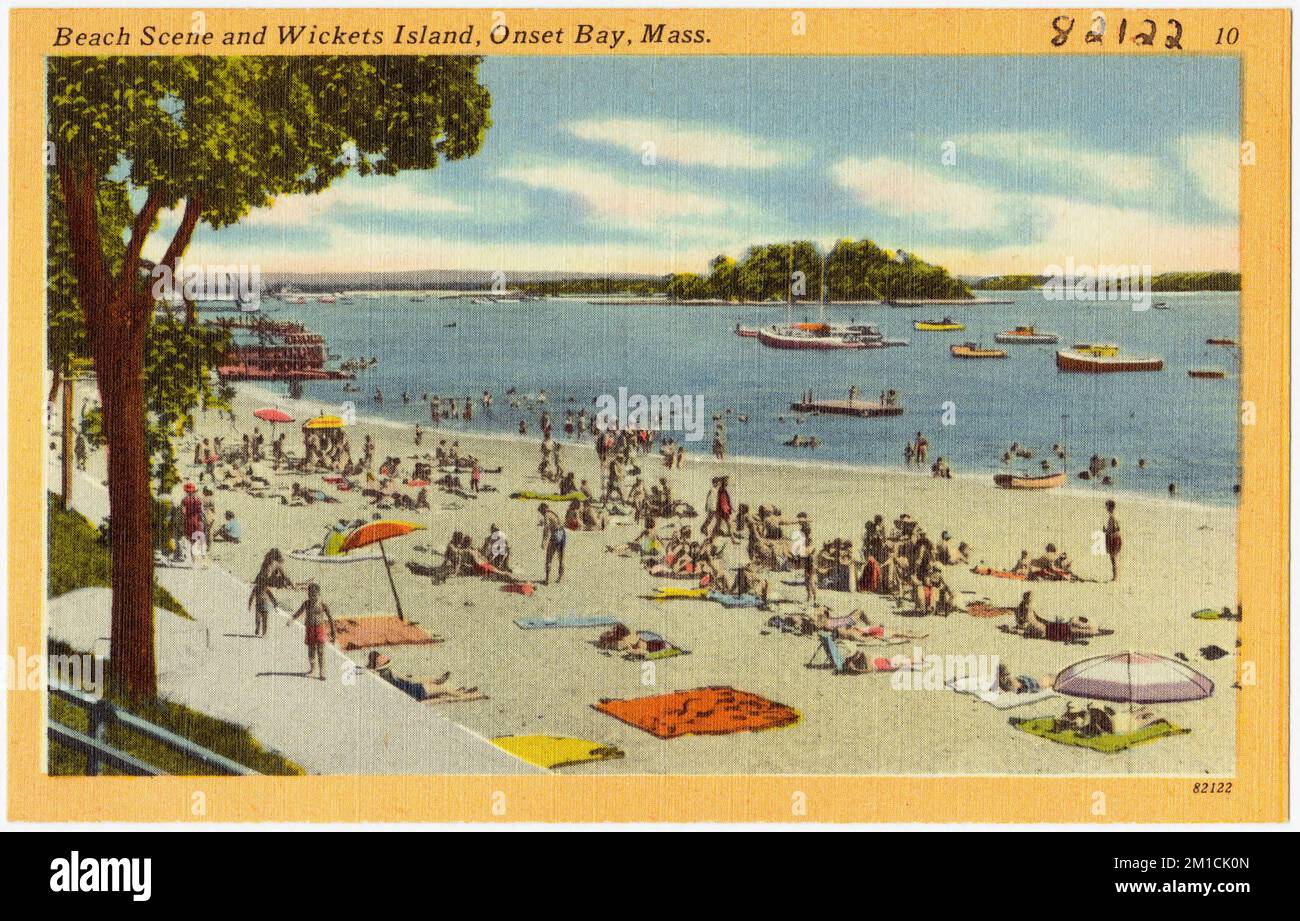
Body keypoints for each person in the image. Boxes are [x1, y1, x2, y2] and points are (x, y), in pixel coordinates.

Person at [290, 583, 336, 680]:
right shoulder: (306, 603)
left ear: (319, 594)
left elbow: (331, 619)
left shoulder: (323, 604)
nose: (312, 597)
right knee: (311, 651)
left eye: (314, 595)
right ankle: (312, 667)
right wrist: (291, 619)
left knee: (321, 651)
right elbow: (299, 612)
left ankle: (322, 671)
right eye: (310, 595)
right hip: (310, 628)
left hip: (320, 628)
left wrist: (333, 633)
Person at [248, 548, 295, 638]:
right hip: (267, 583)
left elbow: (260, 575)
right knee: (263, 619)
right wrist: (291, 584)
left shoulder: (266, 562)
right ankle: (261, 630)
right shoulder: (276, 564)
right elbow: (285, 576)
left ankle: (262, 631)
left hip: (263, 583)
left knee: (261, 618)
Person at [538, 502, 565, 584]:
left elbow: (546, 529)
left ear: (543, 509)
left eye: (541, 511)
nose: (541, 514)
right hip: (562, 533)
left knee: (549, 557)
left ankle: (547, 580)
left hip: (555, 535)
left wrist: (544, 542)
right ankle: (560, 578)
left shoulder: (547, 515)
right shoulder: (553, 513)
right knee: (561, 558)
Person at [1103, 499, 1121, 582]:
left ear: (1110, 507)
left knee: (1113, 558)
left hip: (1114, 539)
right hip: (1114, 538)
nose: (1106, 508)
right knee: (1113, 558)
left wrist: (1107, 532)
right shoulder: (1113, 516)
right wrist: (1106, 531)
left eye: (1107, 506)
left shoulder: (1113, 517)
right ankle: (1115, 576)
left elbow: (1116, 529)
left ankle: (1115, 577)